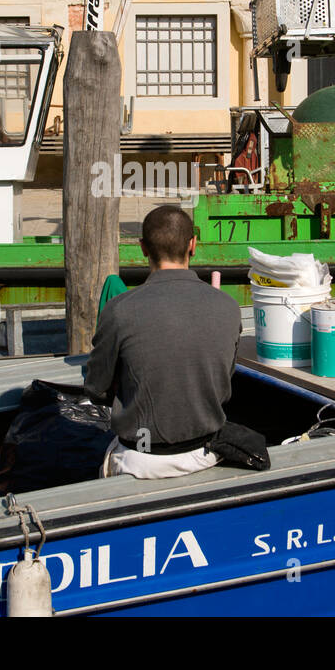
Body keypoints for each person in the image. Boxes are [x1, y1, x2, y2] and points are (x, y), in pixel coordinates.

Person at [84, 204, 242, 479]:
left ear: (143, 247)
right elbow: (223, 386)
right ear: (193, 245)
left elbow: (97, 390)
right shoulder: (228, 307)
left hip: (140, 460)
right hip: (203, 454)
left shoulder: (119, 310)